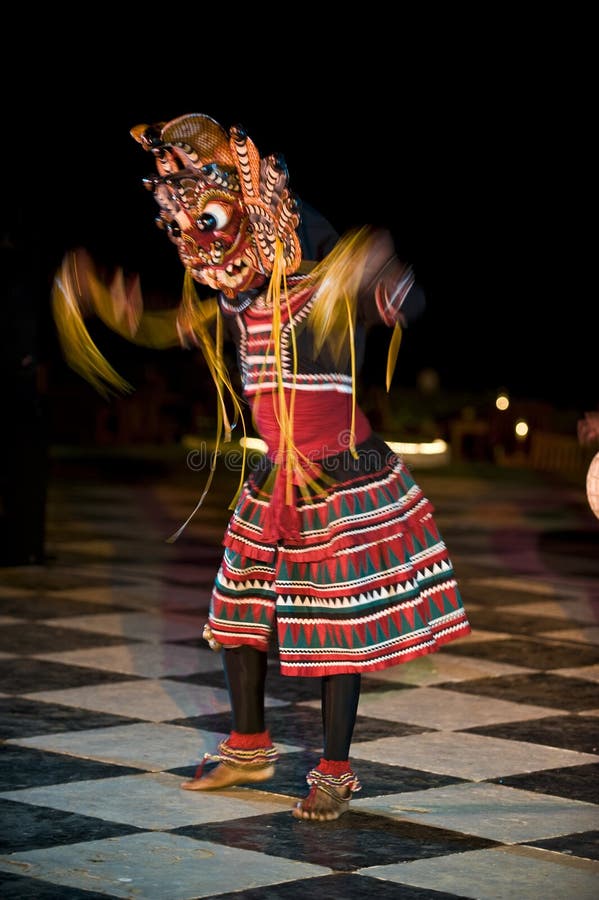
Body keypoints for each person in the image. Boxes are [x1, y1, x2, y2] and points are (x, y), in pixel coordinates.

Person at [53, 113, 471, 822]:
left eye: (216, 228)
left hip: (341, 475)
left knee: (338, 628)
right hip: (273, 476)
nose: (207, 251)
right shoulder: (236, 306)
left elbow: (409, 302)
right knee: (236, 613)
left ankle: (335, 771)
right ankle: (248, 744)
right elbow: (160, 327)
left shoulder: (329, 292)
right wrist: (101, 302)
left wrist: (379, 270)